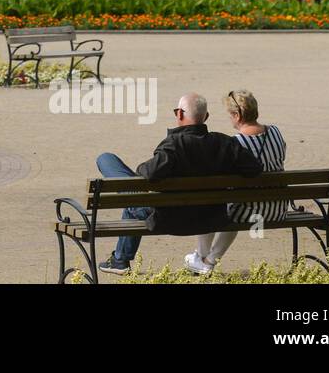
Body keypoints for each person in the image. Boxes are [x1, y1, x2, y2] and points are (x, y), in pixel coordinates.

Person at [95, 92, 262, 276]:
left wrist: (141, 168)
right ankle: (119, 259)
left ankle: (120, 260)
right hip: (210, 218)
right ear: (205, 117)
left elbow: (149, 173)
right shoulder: (224, 143)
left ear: (180, 114)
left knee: (106, 160)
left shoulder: (174, 145)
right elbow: (255, 168)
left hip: (167, 219)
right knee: (133, 204)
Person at [186, 90, 288, 274]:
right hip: (278, 209)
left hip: (250, 212)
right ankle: (206, 261)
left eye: (230, 115)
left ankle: (202, 259)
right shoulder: (275, 132)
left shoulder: (235, 143)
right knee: (232, 205)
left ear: (237, 115)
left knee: (211, 205)